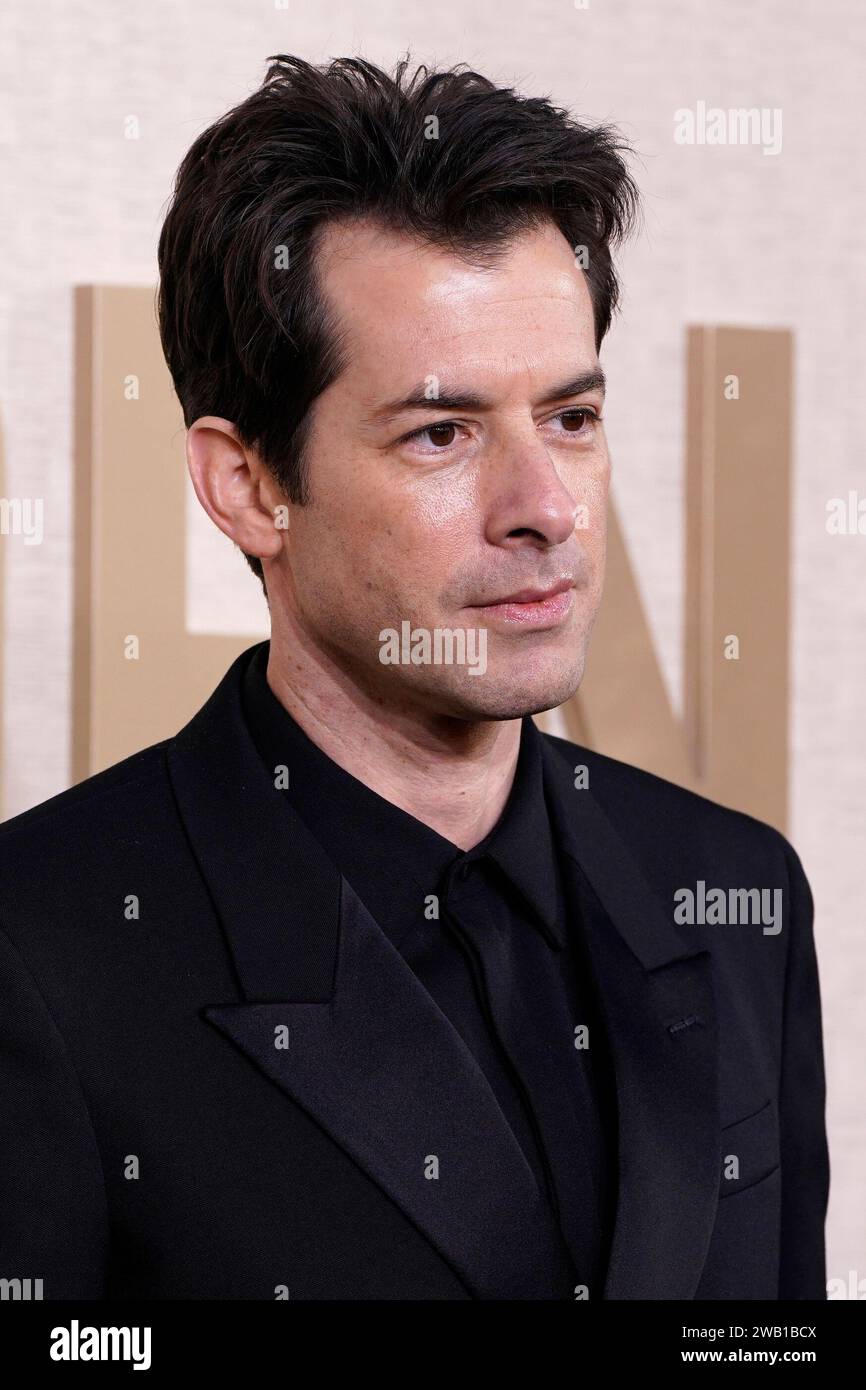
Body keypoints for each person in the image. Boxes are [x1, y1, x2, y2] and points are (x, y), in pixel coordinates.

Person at [0, 54, 828, 1300]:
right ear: (248, 485)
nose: (544, 507)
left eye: (570, 417)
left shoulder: (732, 888)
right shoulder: (38, 947)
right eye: (439, 433)